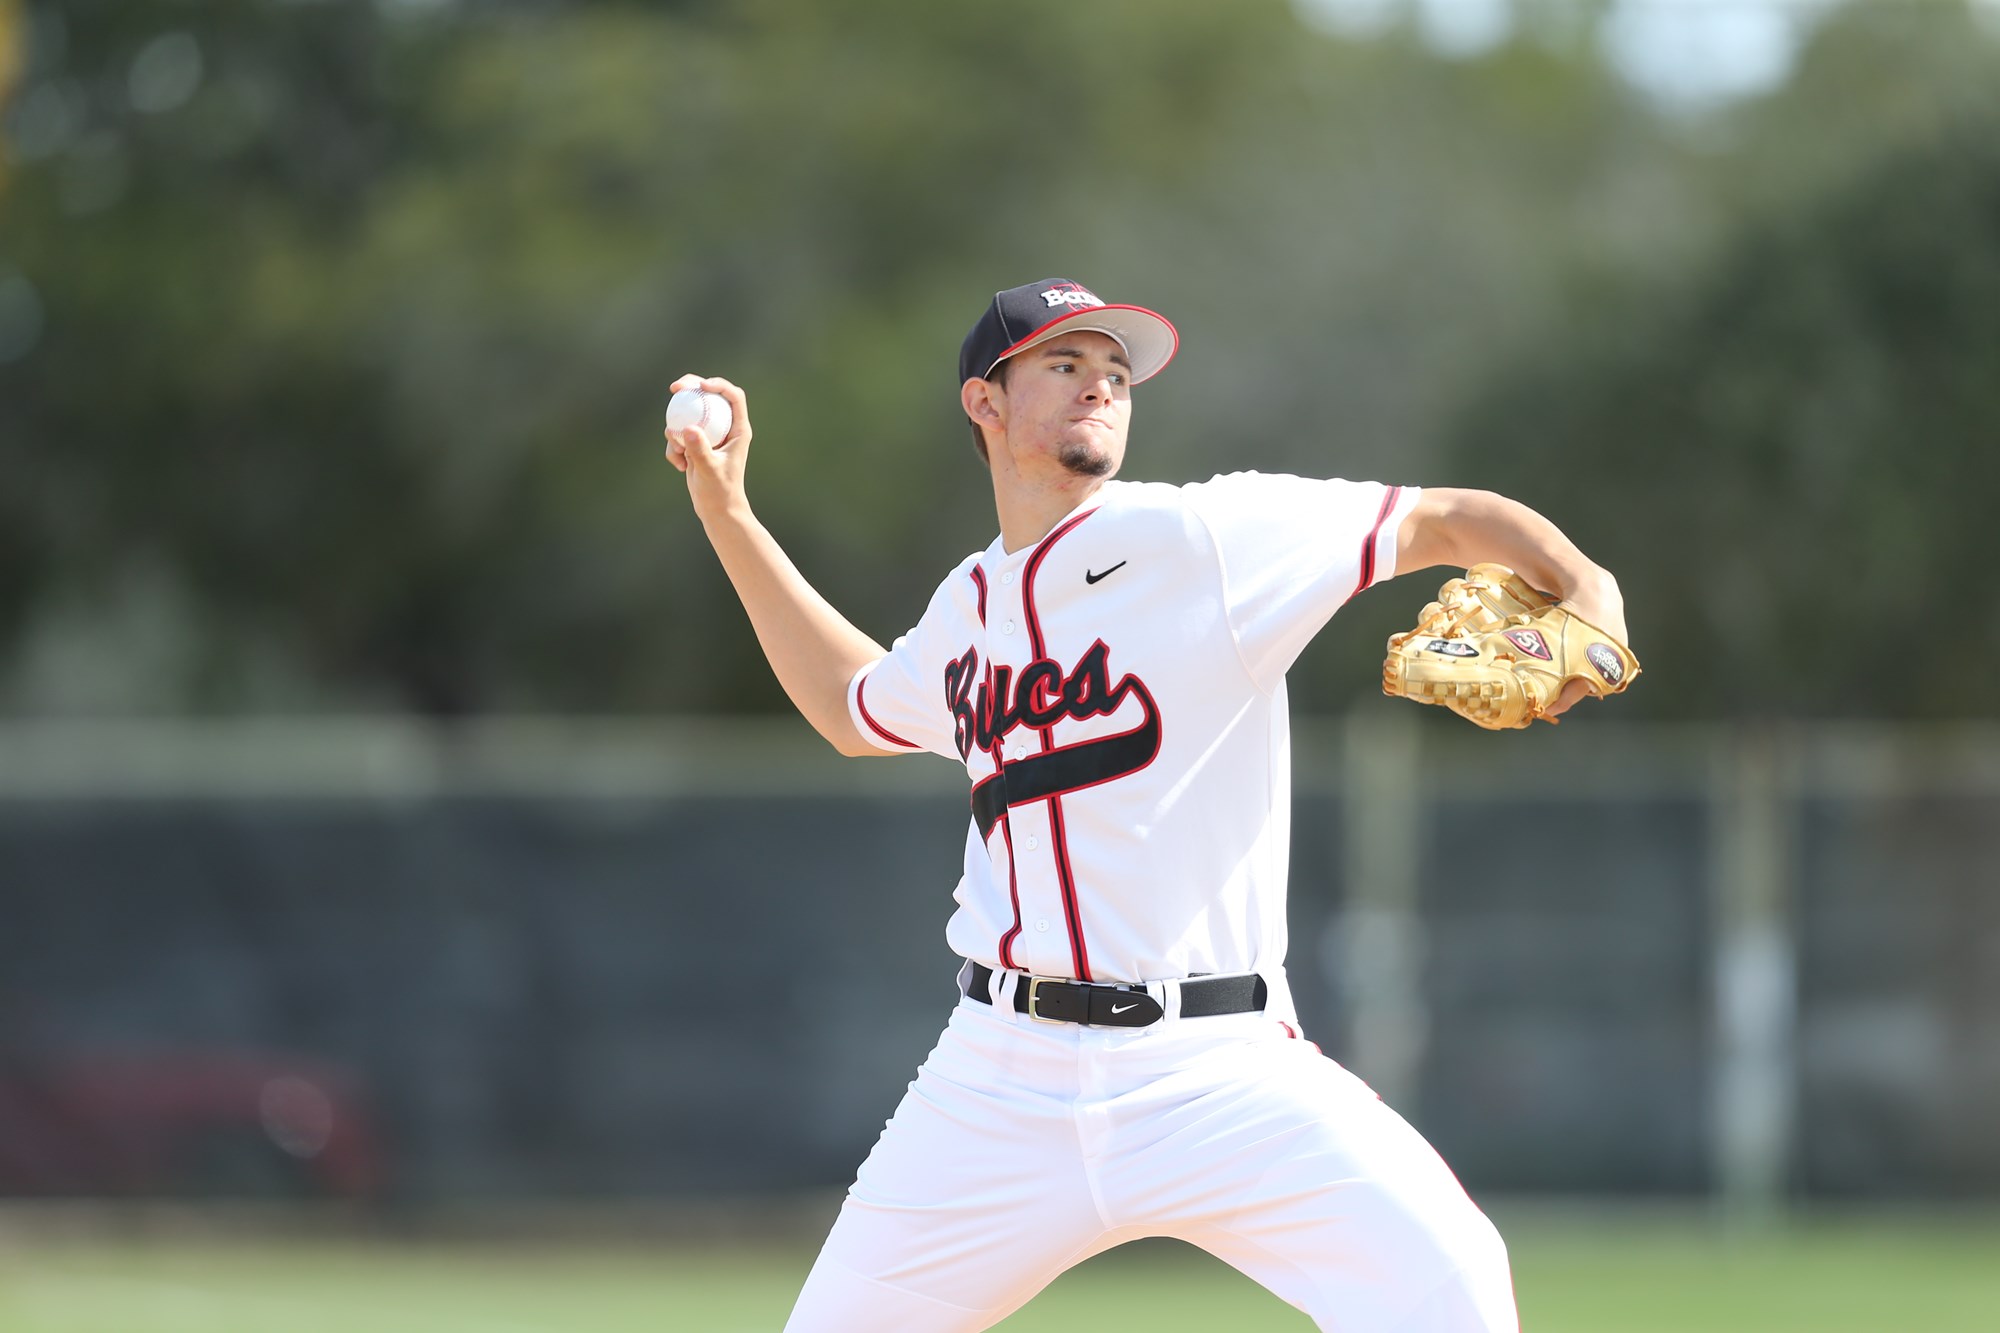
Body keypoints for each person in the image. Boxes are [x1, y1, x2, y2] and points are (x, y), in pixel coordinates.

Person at [664, 279, 1628, 1332]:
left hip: (1214, 1064)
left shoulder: (1207, 537)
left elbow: (1441, 520)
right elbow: (854, 708)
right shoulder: (968, 606)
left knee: (1449, 1284)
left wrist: (1584, 585)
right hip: (998, 1078)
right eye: (1063, 365)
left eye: (1116, 373)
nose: (1101, 386)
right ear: (984, 404)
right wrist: (727, 512)